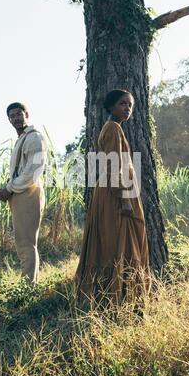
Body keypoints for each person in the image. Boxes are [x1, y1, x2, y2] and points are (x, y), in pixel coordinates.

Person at [75, 89, 151, 306]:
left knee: (120, 242)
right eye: (122, 104)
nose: (127, 108)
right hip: (115, 195)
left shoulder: (113, 129)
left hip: (115, 192)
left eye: (130, 105)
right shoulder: (113, 129)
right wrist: (124, 198)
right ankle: (116, 297)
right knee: (117, 243)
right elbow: (112, 165)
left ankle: (118, 295)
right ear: (111, 106)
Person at [0, 102, 47, 284]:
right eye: (12, 116)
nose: (16, 118)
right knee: (24, 242)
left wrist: (9, 189)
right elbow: (21, 171)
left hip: (28, 193)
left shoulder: (34, 138)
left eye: (19, 114)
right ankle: (30, 284)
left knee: (26, 243)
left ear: (27, 114)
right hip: (21, 193)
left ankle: (28, 287)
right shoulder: (22, 139)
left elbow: (32, 172)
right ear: (8, 119)